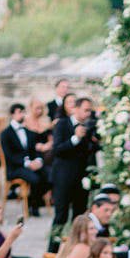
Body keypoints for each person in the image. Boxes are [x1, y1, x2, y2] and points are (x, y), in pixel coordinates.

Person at [49, 96, 98, 240]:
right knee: (61, 216)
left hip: (81, 178)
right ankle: (52, 252)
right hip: (63, 178)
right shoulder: (62, 125)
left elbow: (90, 151)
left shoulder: (89, 126)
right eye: (86, 110)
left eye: (90, 110)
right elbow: (57, 150)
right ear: (76, 109)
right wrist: (75, 138)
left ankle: (75, 249)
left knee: (79, 218)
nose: (89, 113)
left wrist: (94, 141)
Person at [0, 102, 48, 216]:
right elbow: (9, 156)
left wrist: (38, 161)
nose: (22, 115)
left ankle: (33, 201)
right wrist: (27, 163)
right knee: (35, 178)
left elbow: (35, 150)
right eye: (19, 112)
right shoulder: (5, 134)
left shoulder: (28, 132)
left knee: (48, 175)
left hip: (30, 165)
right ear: (12, 115)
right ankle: (34, 206)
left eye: (23, 112)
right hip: (15, 168)